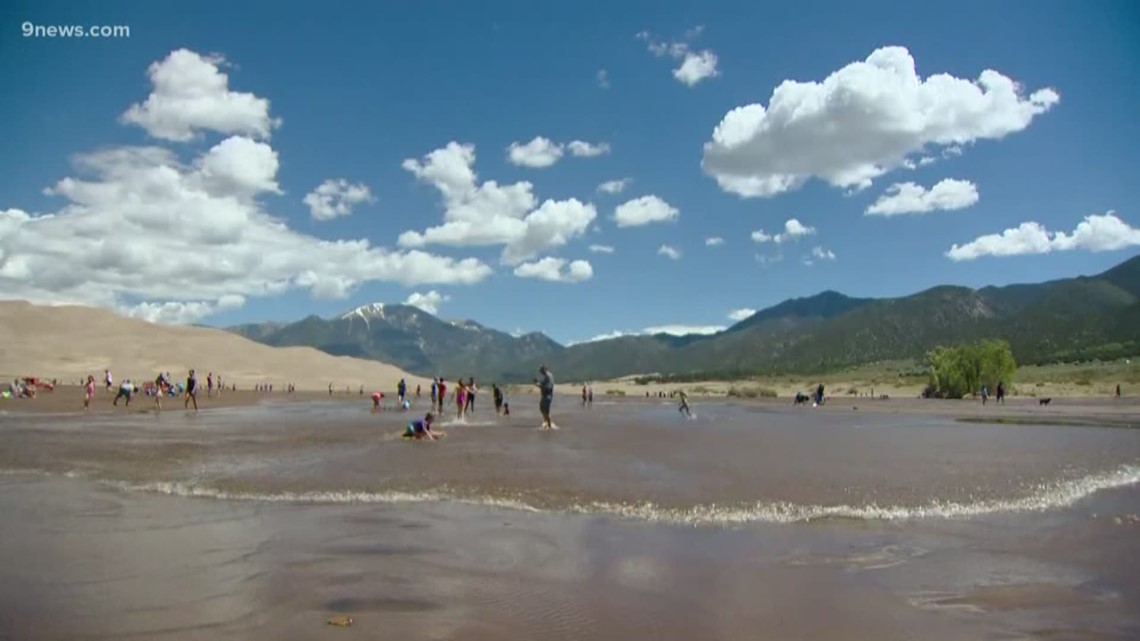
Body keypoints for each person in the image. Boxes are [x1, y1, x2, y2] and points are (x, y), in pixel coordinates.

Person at [533, 365, 555, 430]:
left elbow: (547, 387)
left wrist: (538, 385)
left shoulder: (548, 376)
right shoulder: (546, 376)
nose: (541, 373)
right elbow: (543, 384)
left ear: (544, 370)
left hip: (547, 396)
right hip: (545, 396)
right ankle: (546, 422)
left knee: (546, 411)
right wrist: (537, 383)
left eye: (542, 371)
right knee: (542, 408)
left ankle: (549, 426)